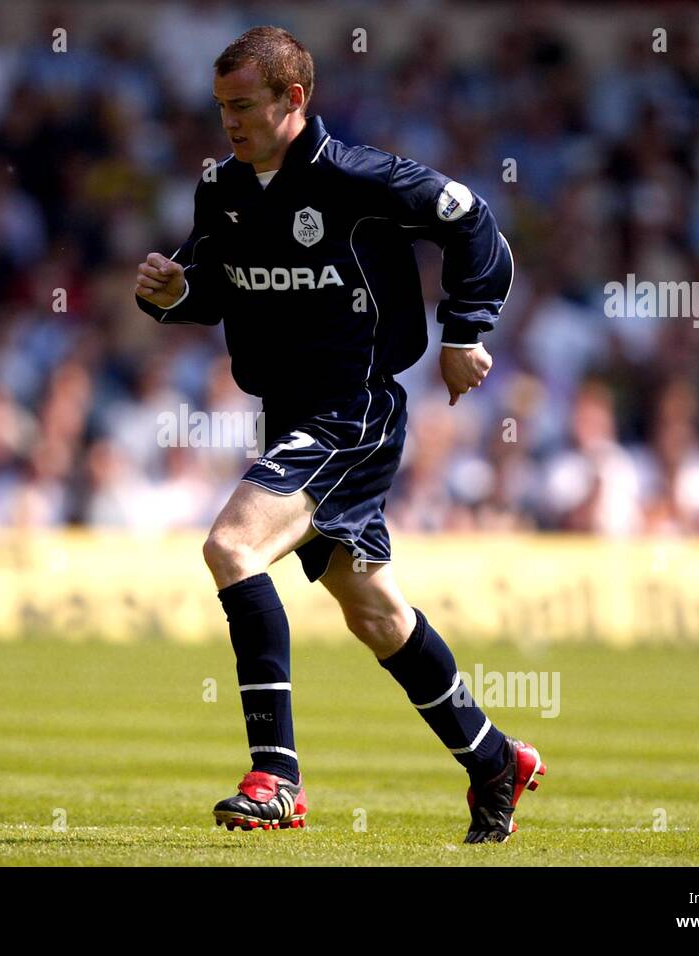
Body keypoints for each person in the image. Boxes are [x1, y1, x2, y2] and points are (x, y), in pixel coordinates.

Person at [135, 27, 544, 842]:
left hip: (353, 409)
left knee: (232, 548)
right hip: (289, 415)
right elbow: (211, 289)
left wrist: (465, 331)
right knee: (376, 614)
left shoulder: (362, 178)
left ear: (295, 99)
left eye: (244, 106)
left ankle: (276, 776)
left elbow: (473, 222)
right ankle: (494, 758)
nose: (231, 123)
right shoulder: (221, 189)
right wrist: (169, 293)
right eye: (221, 108)